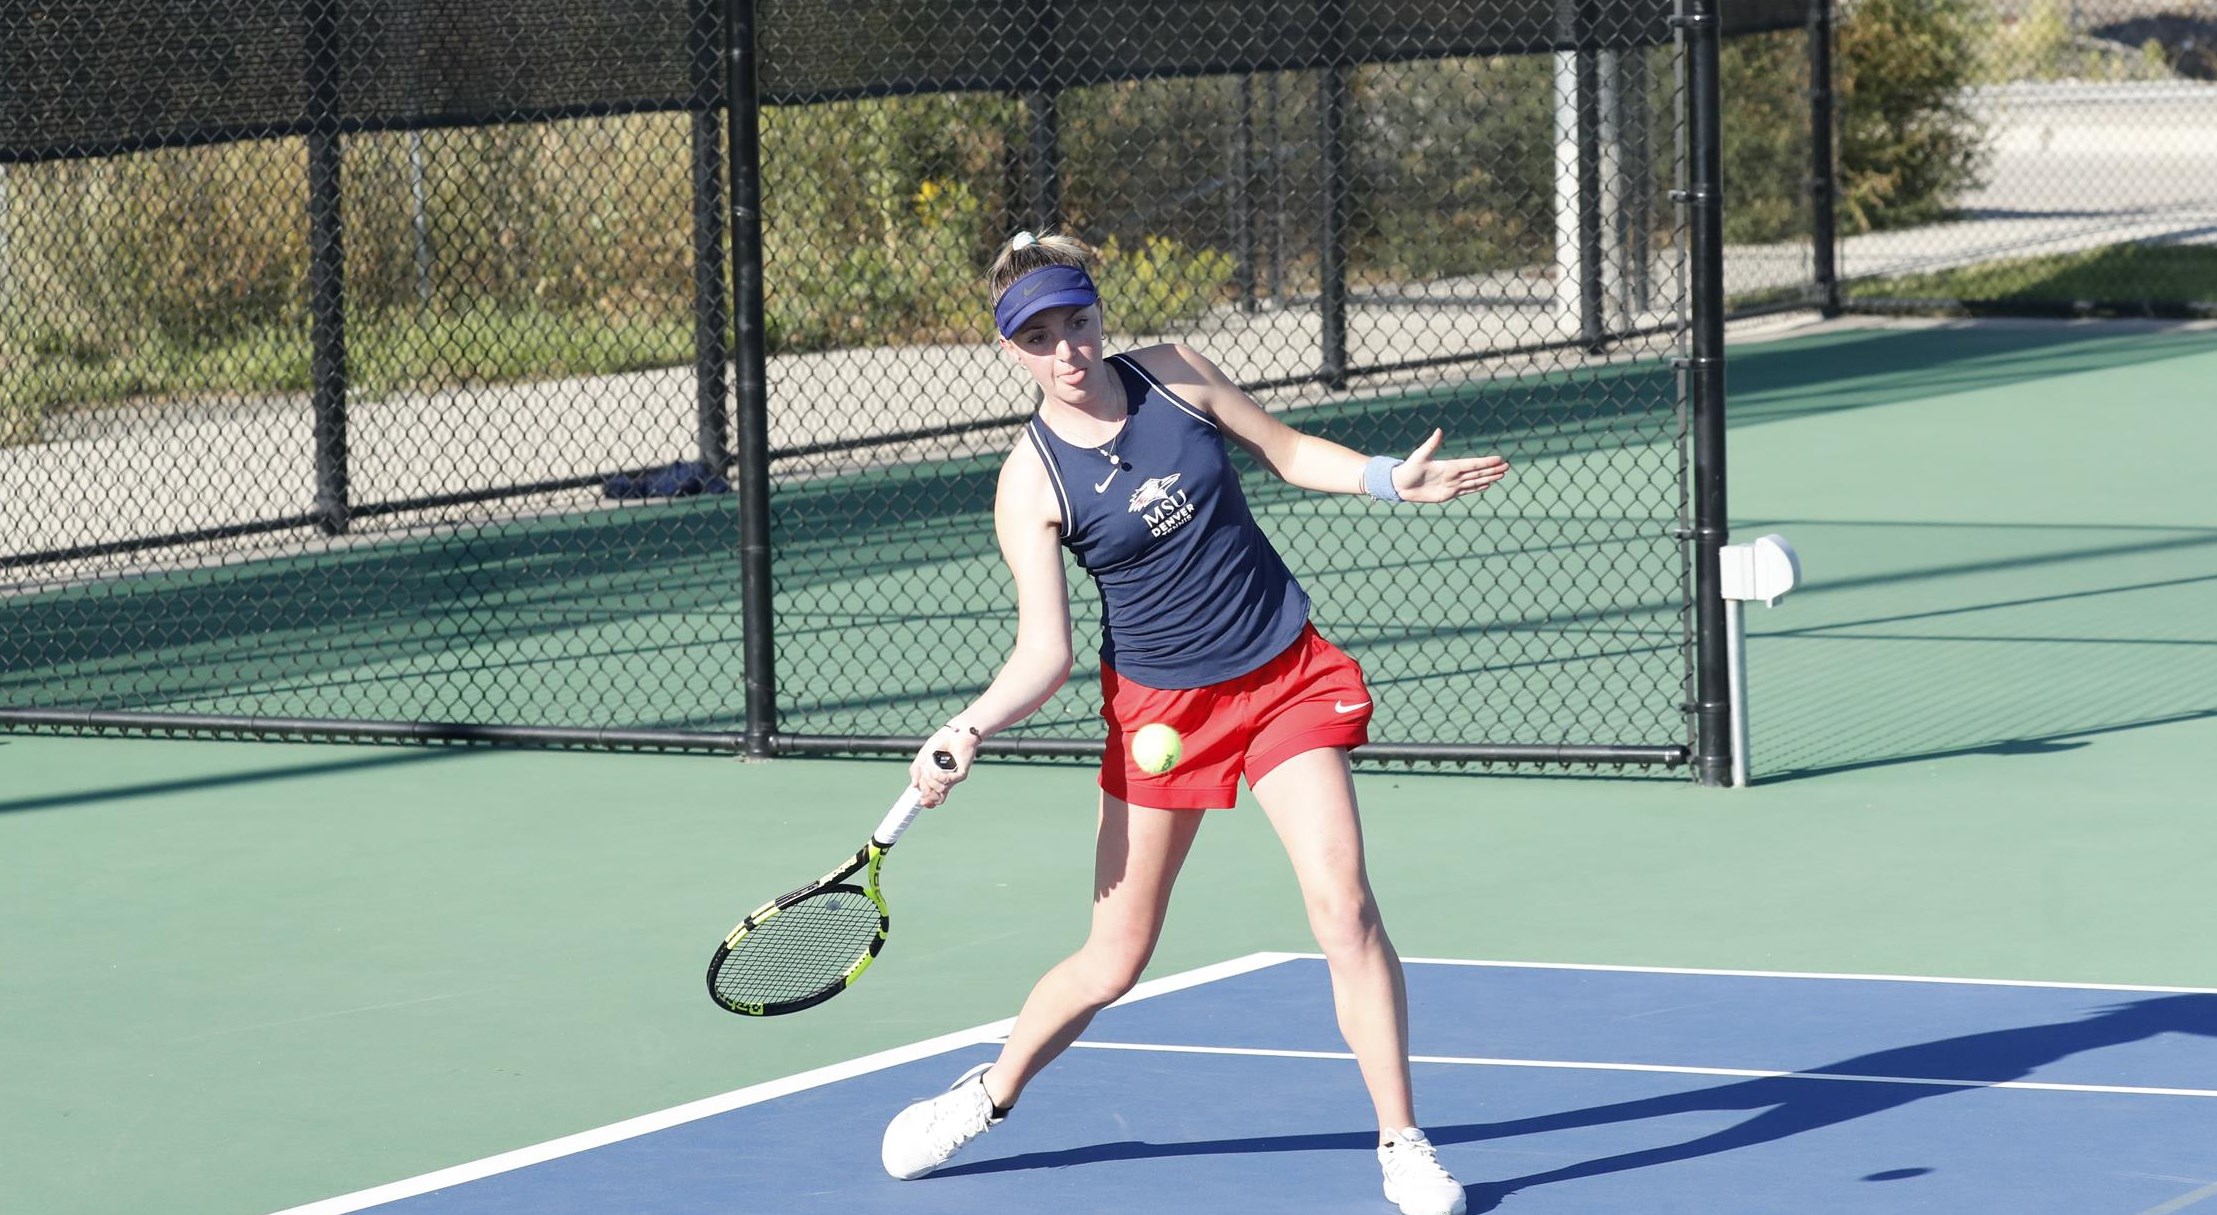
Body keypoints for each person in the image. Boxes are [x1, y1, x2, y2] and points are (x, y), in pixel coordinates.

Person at [877, 230, 1510, 1215]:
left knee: (1344, 908)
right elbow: (1044, 650)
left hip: (1282, 675)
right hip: (1162, 715)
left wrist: (1389, 477)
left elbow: (1287, 451)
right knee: (1113, 960)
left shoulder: (1175, 375)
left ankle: (1402, 1142)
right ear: (1011, 351)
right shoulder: (1031, 481)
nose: (1066, 351)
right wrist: (970, 725)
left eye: (1076, 323)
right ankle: (988, 1093)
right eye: (1039, 338)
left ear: (1099, 314)